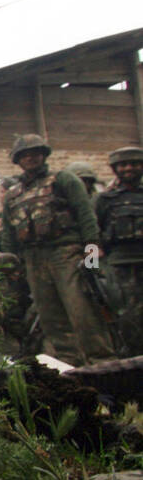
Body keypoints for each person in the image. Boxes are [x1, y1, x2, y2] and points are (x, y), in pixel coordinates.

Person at [0, 134, 113, 366]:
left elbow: (86, 215)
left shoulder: (64, 180)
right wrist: (10, 265)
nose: (30, 157)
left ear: (44, 155)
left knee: (82, 311)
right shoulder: (12, 195)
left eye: (35, 152)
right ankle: (71, 364)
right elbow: (8, 232)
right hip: (33, 260)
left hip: (66, 254)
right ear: (17, 160)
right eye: (24, 154)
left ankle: (102, 362)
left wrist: (92, 255)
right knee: (50, 317)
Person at [95, 146, 143, 356]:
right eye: (123, 165)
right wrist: (91, 267)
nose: (128, 168)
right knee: (127, 316)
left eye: (134, 164)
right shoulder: (105, 199)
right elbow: (91, 233)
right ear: (115, 169)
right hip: (119, 266)